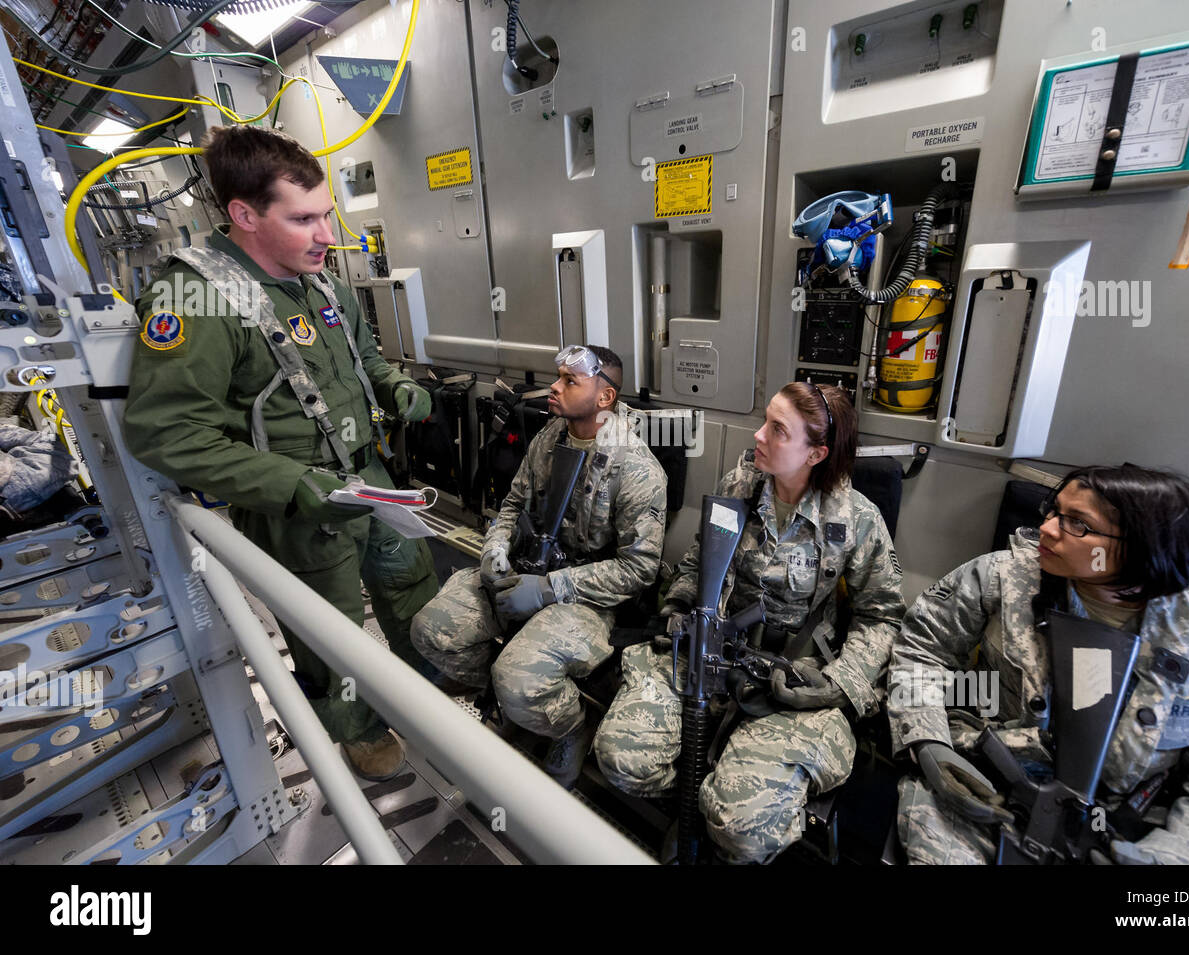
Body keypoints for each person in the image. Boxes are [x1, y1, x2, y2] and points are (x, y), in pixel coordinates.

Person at [122, 126, 439, 781]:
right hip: (294, 502)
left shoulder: (320, 280)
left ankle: (430, 697)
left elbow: (365, 357)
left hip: (370, 479)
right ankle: (355, 727)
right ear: (245, 216)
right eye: (304, 219)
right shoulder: (194, 297)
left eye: (327, 215)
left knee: (412, 585)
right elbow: (166, 434)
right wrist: (292, 484)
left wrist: (397, 385)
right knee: (330, 631)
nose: (328, 234)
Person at [888, 464, 1189, 864]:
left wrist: (1166, 859)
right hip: (980, 788)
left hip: (1124, 831)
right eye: (1054, 511)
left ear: (1140, 546)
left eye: (1077, 524)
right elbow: (922, 651)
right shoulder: (1000, 578)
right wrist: (929, 742)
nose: (1048, 528)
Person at [594, 382, 905, 863]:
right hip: (713, 648)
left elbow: (881, 616)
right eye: (764, 420)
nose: (758, 435)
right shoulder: (740, 485)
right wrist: (678, 607)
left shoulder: (857, 521)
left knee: (741, 830)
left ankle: (720, 813)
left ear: (816, 453)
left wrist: (838, 685)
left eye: (777, 430)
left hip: (793, 679)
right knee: (621, 757)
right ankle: (695, 801)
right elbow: (702, 561)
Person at [412, 345, 667, 788]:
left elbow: (637, 570)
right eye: (559, 377)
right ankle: (509, 697)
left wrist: (551, 588)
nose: (554, 386)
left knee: (518, 680)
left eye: (571, 381)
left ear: (605, 398)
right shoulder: (551, 437)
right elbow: (511, 505)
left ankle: (570, 724)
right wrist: (494, 550)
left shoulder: (638, 468)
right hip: (526, 565)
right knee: (432, 629)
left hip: (587, 594)